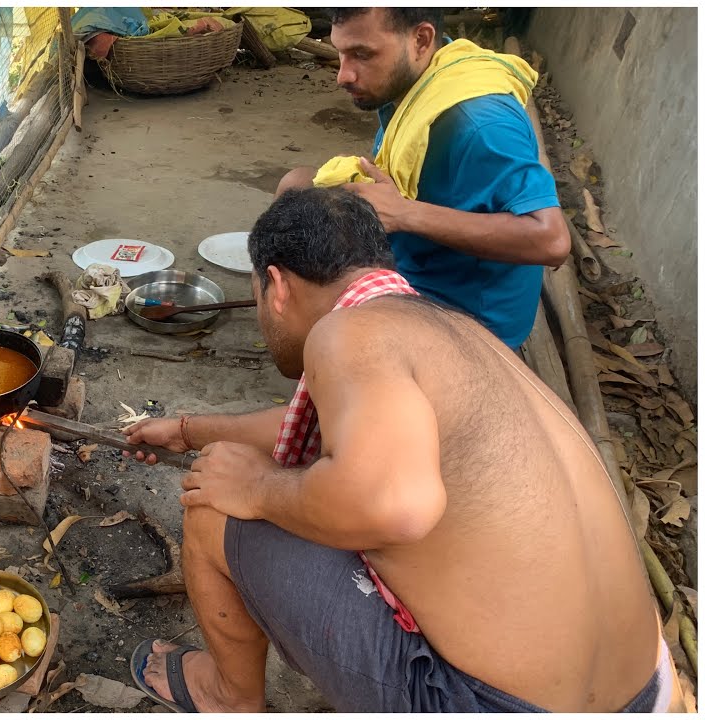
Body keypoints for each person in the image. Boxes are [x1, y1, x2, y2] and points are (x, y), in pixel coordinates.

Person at [123, 187, 671, 712]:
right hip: (645, 694)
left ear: (278, 285)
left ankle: (229, 698)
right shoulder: (451, 329)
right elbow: (319, 427)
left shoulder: (346, 334)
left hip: (481, 705)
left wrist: (257, 488)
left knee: (214, 503)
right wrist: (189, 431)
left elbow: (393, 506)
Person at [276, 8, 570, 350]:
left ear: (421, 40)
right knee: (295, 187)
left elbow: (551, 241)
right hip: (417, 260)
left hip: (463, 318)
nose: (343, 75)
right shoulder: (420, 82)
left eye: (362, 54)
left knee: (294, 301)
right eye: (340, 52)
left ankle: (309, 361)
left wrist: (403, 213)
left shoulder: (482, 126)